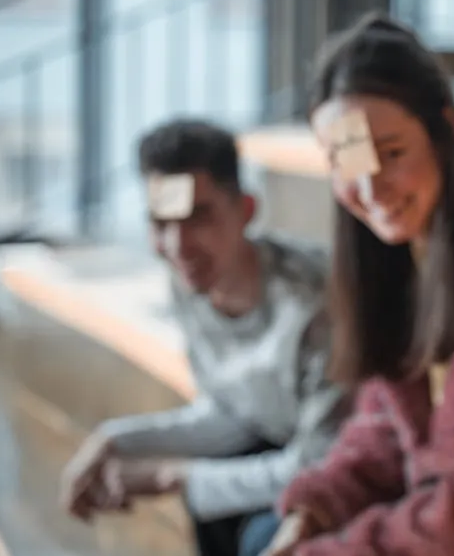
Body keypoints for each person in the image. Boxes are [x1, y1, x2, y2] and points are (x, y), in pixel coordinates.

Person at [256, 13, 454, 556]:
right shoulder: (407, 250)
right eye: (345, 161)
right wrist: (313, 512)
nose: (370, 187)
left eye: (393, 153)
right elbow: (381, 426)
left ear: (445, 130)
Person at [58, 120, 350, 556]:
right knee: (212, 503)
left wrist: (170, 475)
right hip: (286, 442)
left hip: (357, 465)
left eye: (199, 216)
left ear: (247, 210)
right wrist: (113, 441)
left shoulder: (315, 304)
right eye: (161, 222)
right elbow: (234, 412)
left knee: (257, 533)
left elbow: (323, 462)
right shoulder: (193, 280)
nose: (178, 245)